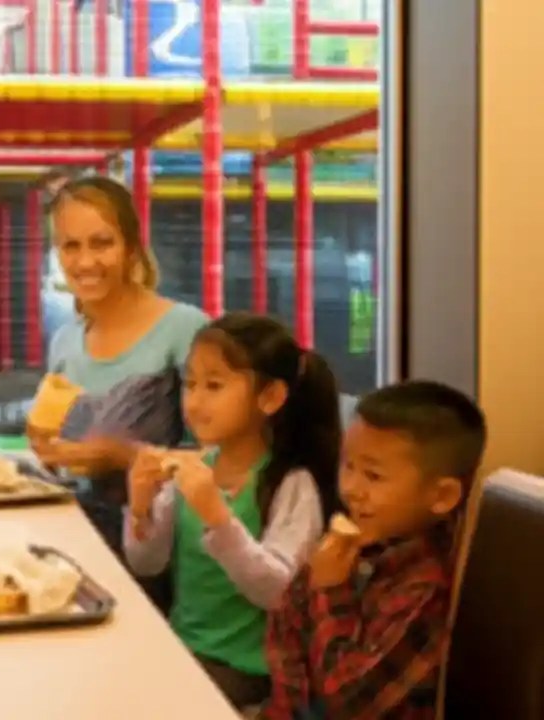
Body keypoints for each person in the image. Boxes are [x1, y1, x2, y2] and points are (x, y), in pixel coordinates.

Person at [124, 313, 343, 709]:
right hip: (181, 646)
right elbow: (147, 563)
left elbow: (278, 593)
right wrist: (140, 509)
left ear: (270, 397)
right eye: (189, 384)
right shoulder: (195, 466)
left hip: (249, 668)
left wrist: (218, 518)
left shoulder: (291, 485)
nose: (194, 401)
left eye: (214, 385)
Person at [262, 381, 486, 719]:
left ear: (442, 496)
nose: (351, 489)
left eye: (373, 476)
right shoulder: (361, 542)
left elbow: (351, 702)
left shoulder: (427, 587)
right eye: (348, 466)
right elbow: (285, 627)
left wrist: (331, 590)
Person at [30, 176, 209, 554]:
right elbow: (59, 466)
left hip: (162, 554)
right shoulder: (65, 341)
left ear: (131, 248)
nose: (85, 262)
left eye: (102, 243)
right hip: (72, 545)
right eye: (70, 246)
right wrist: (47, 456)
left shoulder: (184, 329)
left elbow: (227, 461)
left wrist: (121, 456)